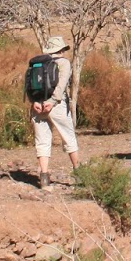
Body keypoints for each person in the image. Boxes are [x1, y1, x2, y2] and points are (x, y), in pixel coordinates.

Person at [30, 36, 80, 187]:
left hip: (37, 107)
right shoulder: (63, 63)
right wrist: (51, 102)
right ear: (61, 50)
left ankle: (44, 177)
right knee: (69, 138)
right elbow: (62, 84)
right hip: (56, 105)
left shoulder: (37, 63)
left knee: (42, 141)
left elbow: (30, 85)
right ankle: (79, 173)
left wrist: (35, 102)